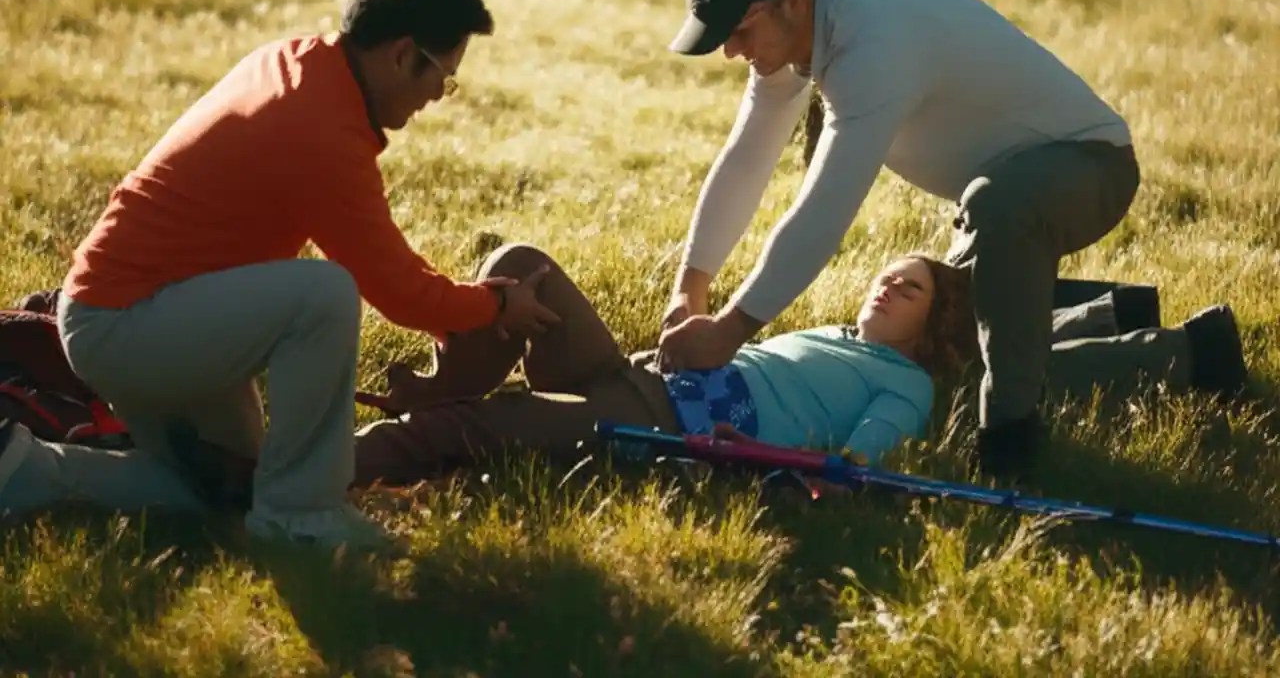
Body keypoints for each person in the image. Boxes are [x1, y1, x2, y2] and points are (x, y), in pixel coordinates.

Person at [27, 0, 558, 547]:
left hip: (128, 314)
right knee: (323, 292)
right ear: (404, 54)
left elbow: (390, 266)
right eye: (444, 77)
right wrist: (495, 306)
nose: (439, 96)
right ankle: (301, 516)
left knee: (228, 486)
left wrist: (469, 305)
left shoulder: (301, 64)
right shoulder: (321, 129)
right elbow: (396, 289)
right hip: (126, 327)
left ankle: (24, 470)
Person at [652, 0, 1245, 479]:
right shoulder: (805, 29)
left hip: (1085, 172)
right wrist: (690, 292)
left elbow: (823, 210)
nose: (732, 50)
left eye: (739, 29)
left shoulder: (873, 43)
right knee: (943, 347)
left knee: (964, 380)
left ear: (794, 1)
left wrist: (728, 334)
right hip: (1003, 202)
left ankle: (1177, 362)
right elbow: (745, 161)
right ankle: (1113, 316)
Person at [351, 243, 975, 487]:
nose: (886, 288)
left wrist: (789, 470)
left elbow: (856, 463)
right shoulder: (833, 333)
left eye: (909, 289)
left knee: (482, 424)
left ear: (934, 327)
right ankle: (440, 387)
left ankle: (304, 468)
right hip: (641, 372)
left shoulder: (906, 384)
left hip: (672, 417)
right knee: (523, 267)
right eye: (886, 277)